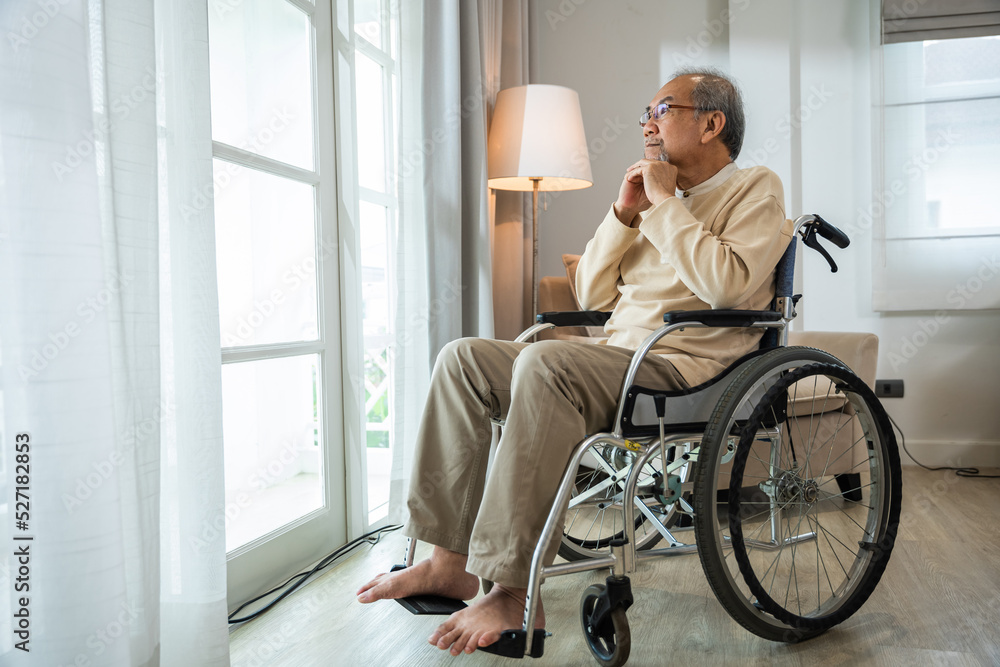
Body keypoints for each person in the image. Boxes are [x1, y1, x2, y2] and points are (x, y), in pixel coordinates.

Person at [356, 67, 793, 656]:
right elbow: (589, 293)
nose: (647, 124)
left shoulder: (755, 189)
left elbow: (727, 286)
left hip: (682, 368)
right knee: (463, 359)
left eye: (662, 110)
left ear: (711, 123)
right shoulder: (652, 198)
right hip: (615, 359)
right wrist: (624, 212)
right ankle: (448, 562)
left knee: (547, 362)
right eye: (647, 113)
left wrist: (664, 204)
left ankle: (514, 590)